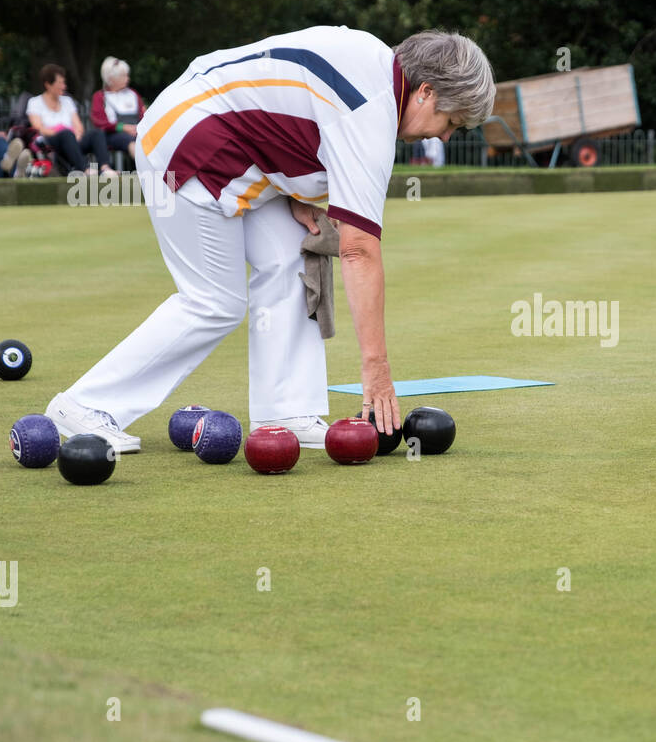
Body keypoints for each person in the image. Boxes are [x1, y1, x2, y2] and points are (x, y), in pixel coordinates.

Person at [43, 26, 494, 452]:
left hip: (231, 146)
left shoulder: (373, 62)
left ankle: (287, 411)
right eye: (449, 120)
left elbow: (279, 109)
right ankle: (83, 406)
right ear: (426, 91)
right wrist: (376, 373)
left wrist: (293, 188)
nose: (444, 135)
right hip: (188, 141)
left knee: (291, 256)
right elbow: (358, 249)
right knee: (213, 302)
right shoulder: (372, 108)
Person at [27, 65, 117, 177]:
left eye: (64, 83)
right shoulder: (35, 102)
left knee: (96, 133)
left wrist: (77, 135)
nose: (64, 86)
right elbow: (38, 127)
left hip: (72, 140)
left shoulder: (67, 101)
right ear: (48, 85)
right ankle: (85, 169)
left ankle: (105, 168)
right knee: (66, 134)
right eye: (60, 83)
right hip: (52, 143)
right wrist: (64, 134)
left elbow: (78, 125)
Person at [90, 56, 146, 162]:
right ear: (111, 79)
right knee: (130, 142)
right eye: (123, 76)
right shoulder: (100, 97)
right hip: (112, 135)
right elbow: (100, 123)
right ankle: (143, 166)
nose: (128, 79)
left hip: (137, 132)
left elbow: (143, 115)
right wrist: (123, 128)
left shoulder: (133, 94)